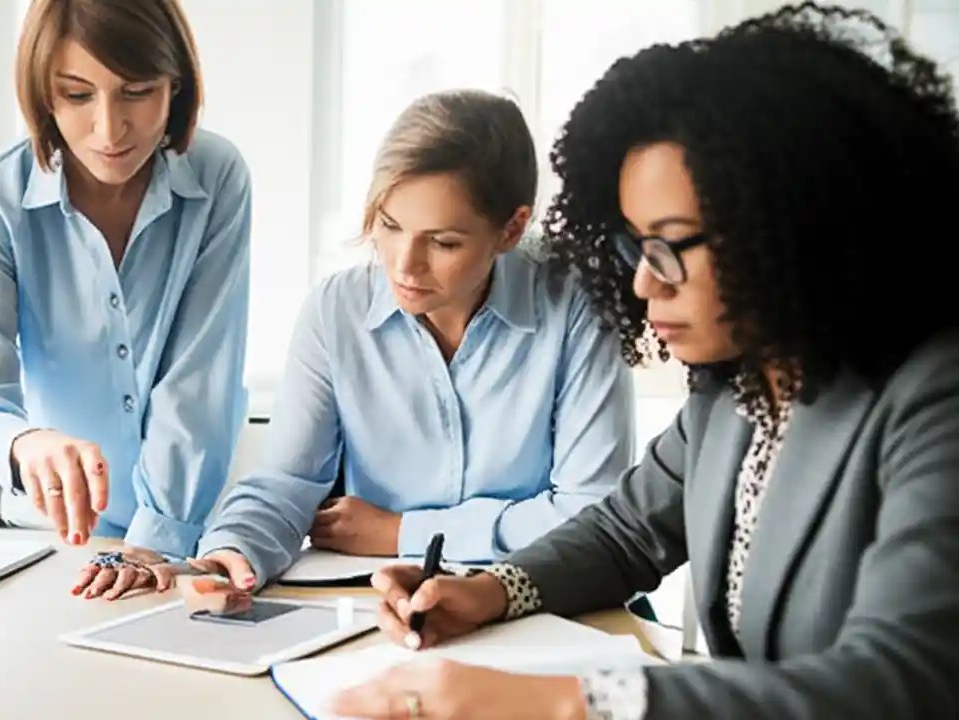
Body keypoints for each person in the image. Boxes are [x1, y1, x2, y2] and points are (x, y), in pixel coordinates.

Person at [333, 4, 959, 718]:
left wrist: (573, 704)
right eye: (636, 246)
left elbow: (904, 681)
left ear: (793, 225)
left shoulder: (936, 395)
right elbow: (624, 533)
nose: (642, 283)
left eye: (669, 246)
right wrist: (491, 590)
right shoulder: (735, 388)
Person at [72, 89, 635, 601]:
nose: (404, 265)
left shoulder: (578, 306)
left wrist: (400, 532)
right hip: (385, 606)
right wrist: (230, 555)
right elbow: (288, 482)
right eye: (388, 226)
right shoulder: (336, 310)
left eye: (443, 241)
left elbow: (592, 511)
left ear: (511, 230)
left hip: (554, 605)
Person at [0, 0, 251, 559]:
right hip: (49, 543)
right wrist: (23, 442)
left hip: (186, 537)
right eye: (78, 95)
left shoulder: (217, 179)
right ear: (41, 94)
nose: (110, 128)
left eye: (137, 92)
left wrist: (156, 543)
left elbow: (199, 384)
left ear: (176, 86)